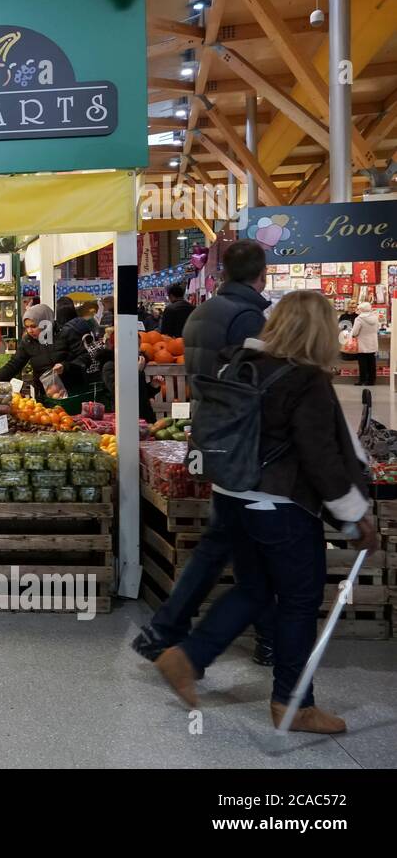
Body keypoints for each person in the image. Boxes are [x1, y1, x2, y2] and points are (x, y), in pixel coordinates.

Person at [151, 291, 379, 733]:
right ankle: (293, 704)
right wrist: (354, 515)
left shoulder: (238, 364)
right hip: (280, 507)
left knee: (254, 589)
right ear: (318, 331)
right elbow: (322, 458)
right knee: (298, 601)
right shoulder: (305, 380)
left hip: (230, 496)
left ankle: (188, 657)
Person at [133, 240, 275, 665]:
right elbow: (257, 381)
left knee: (223, 541)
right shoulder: (247, 315)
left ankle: (165, 630)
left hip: (209, 428)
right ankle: (253, 638)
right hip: (242, 439)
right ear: (260, 273)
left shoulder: (201, 313)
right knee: (245, 543)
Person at [0, 303, 58, 397]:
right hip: (43, 393)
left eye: (33, 326)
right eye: (27, 327)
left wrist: (65, 366)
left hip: (67, 392)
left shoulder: (62, 335)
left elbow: (78, 359)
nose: (29, 331)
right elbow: (14, 364)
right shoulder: (28, 341)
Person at [52, 300, 106, 396]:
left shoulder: (66, 330)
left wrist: (65, 365)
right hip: (93, 372)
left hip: (74, 375)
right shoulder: (86, 323)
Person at [351, 302, 379, 386]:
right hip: (373, 342)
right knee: (372, 362)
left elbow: (355, 332)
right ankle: (371, 380)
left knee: (362, 363)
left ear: (362, 309)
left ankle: (362, 380)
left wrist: (352, 334)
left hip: (362, 343)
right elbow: (377, 328)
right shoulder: (375, 317)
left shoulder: (359, 319)